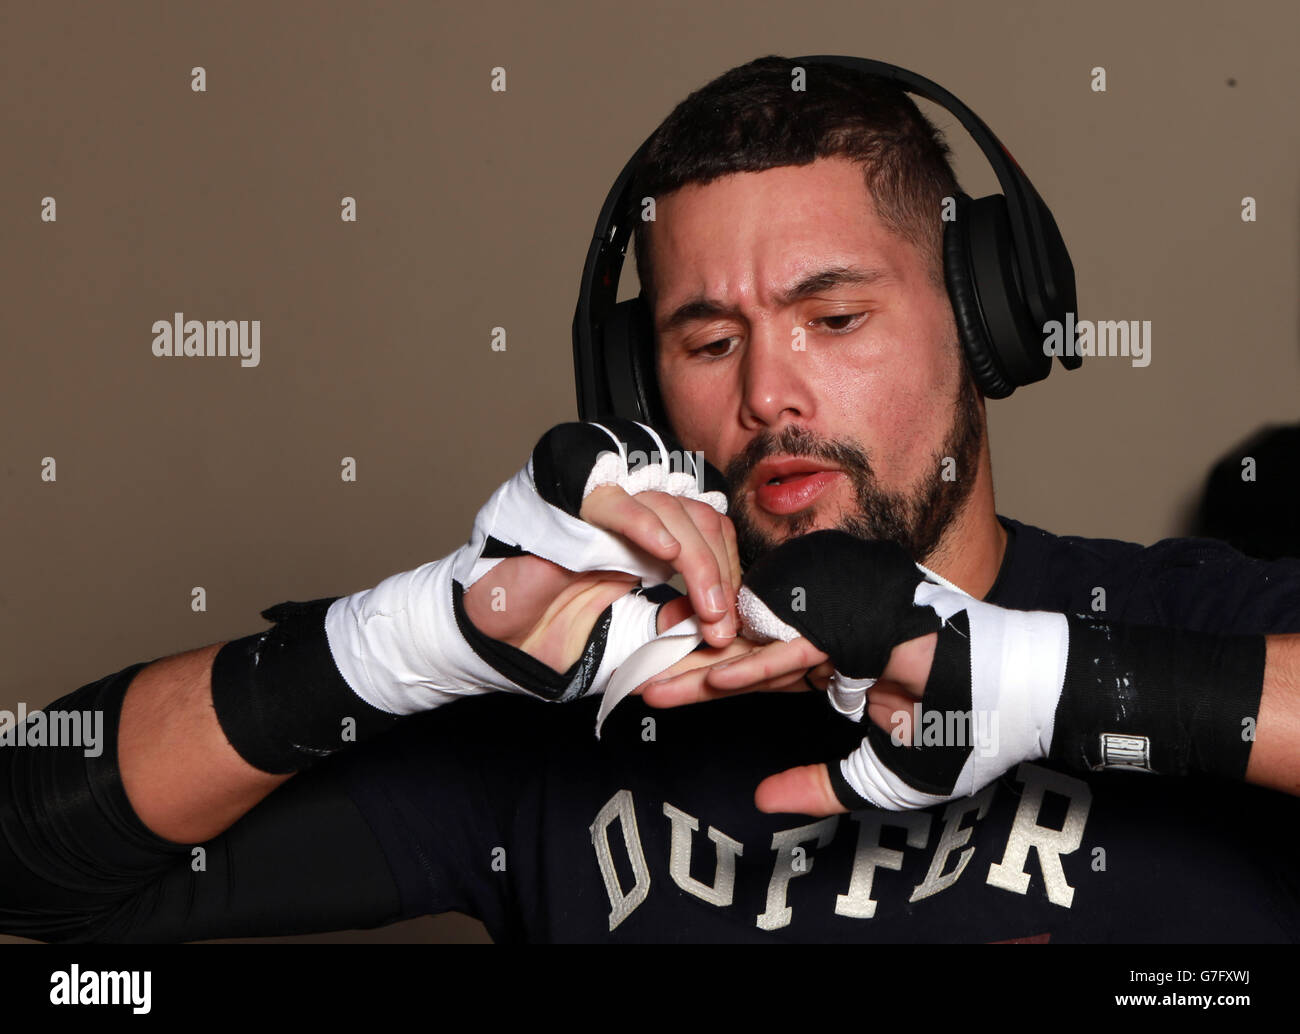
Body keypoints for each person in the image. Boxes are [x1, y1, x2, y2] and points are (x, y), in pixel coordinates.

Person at [3, 55, 1299, 944]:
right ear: (638, 382)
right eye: (705, 338)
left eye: (834, 315)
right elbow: (37, 859)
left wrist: (1043, 679)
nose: (769, 395)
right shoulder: (564, 725)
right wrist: (409, 639)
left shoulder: (1184, 614)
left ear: (987, 326)